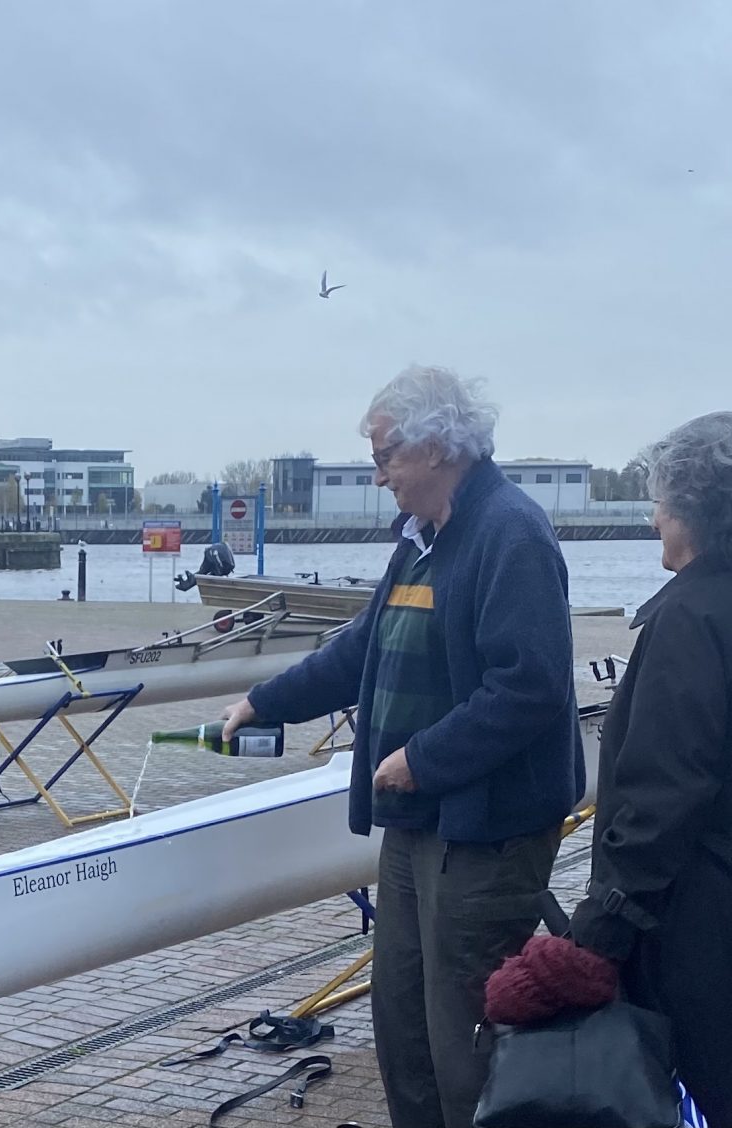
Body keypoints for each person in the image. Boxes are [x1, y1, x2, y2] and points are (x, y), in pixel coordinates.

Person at [221, 366, 582, 1128]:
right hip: (415, 826)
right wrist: (266, 700)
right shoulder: (422, 541)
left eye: (387, 455)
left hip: (482, 834)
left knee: (465, 1046)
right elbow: (364, 649)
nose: (378, 473)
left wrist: (423, 759)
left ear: (436, 447)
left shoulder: (509, 531)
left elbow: (532, 685)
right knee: (403, 1033)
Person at [483, 412, 732, 1127]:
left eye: (664, 501)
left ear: (702, 510)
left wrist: (593, 939)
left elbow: (658, 802)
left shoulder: (691, 618)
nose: (654, 518)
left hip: (702, 937)